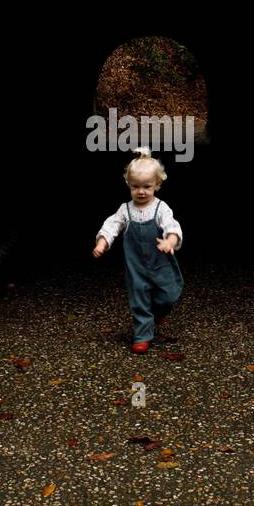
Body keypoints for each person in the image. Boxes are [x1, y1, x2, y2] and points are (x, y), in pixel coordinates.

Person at [93, 148, 184, 353]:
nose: (141, 191)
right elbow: (112, 226)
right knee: (139, 298)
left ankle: (158, 312)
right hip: (136, 267)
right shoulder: (125, 210)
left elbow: (172, 226)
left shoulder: (161, 208)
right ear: (128, 185)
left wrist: (170, 241)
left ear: (157, 185)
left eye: (147, 186)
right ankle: (142, 335)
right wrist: (102, 242)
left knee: (168, 295)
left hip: (160, 263)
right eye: (135, 187)